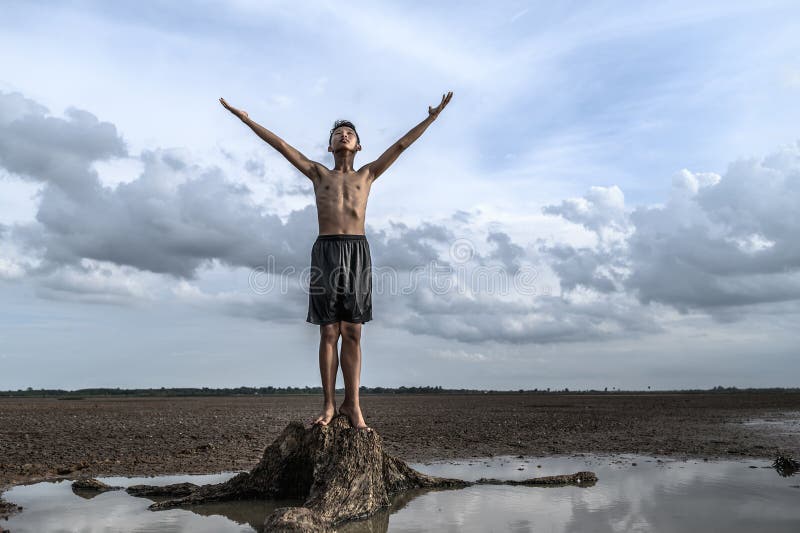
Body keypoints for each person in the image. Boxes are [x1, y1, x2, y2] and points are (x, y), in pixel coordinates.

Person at [219, 91, 453, 429]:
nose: (344, 134)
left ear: (358, 146)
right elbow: (282, 146)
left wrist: (431, 118)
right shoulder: (318, 174)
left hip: (357, 250)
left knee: (353, 331)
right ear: (330, 146)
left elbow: (401, 145)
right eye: (337, 133)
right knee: (329, 331)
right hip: (326, 250)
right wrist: (245, 118)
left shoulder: (368, 175)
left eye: (350, 133)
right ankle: (329, 406)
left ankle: (353, 406)